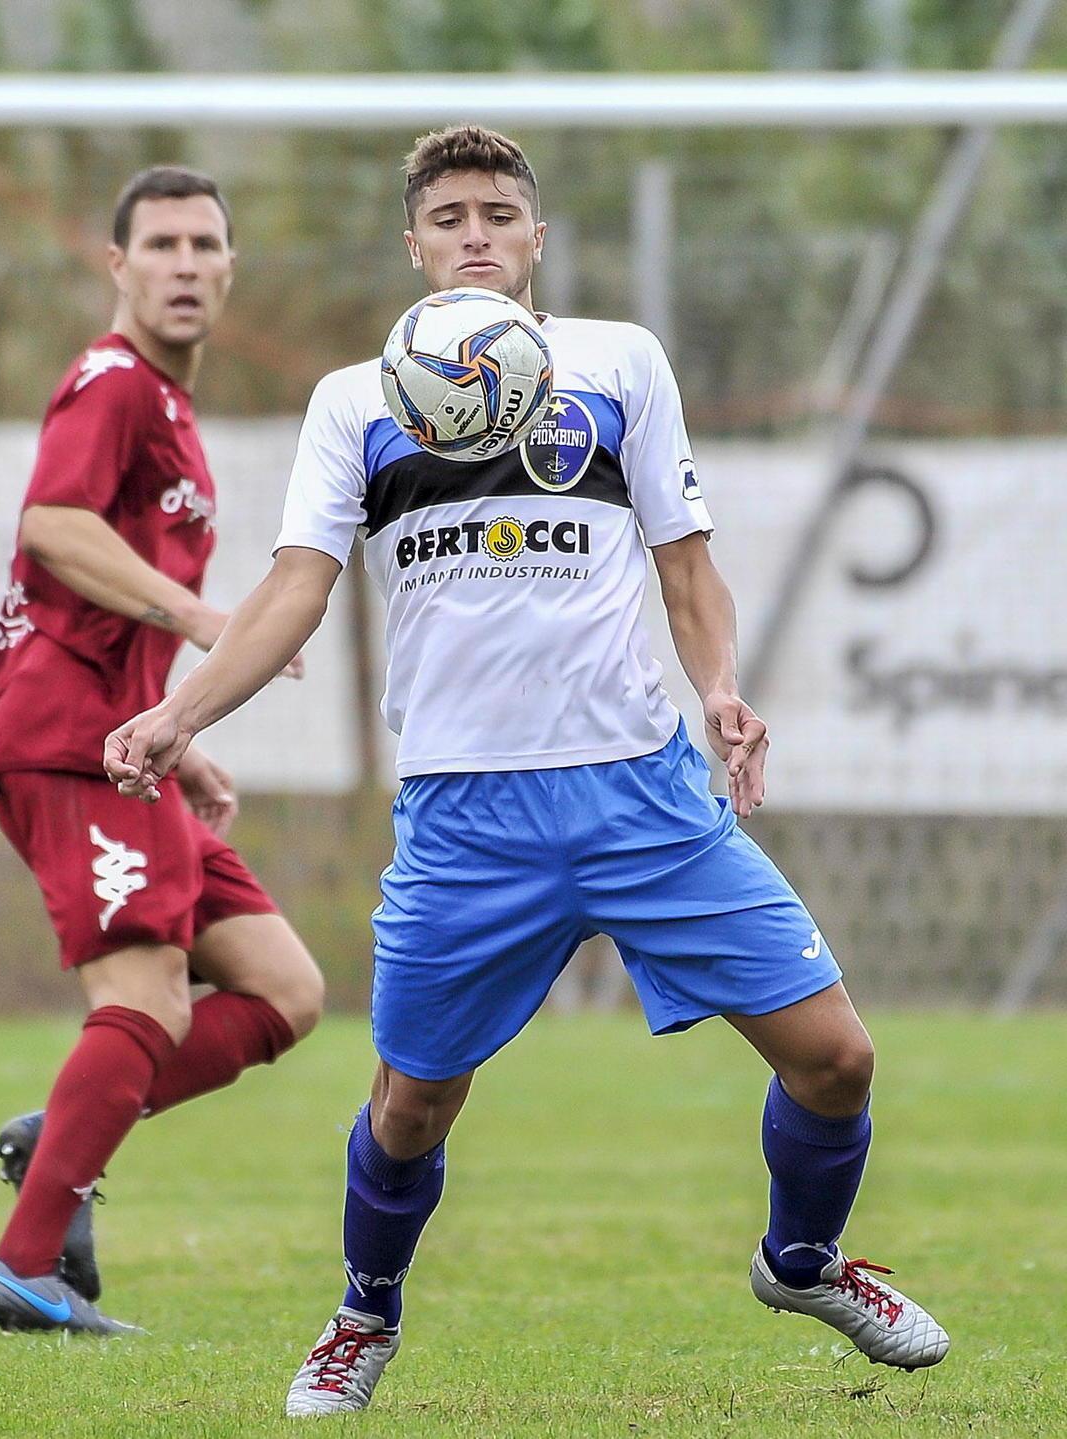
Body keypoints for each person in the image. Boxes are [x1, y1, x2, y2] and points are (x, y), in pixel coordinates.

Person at [105, 126, 951, 1407]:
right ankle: (364, 1310)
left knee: (838, 1057)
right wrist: (182, 714)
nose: (476, 235)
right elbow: (294, 587)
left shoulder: (619, 362)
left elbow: (685, 565)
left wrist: (720, 687)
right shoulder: (358, 399)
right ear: (414, 244)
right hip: (467, 811)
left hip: (640, 792)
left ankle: (803, 1258)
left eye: (499, 214)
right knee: (409, 1107)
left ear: (537, 237)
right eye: (449, 218)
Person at [0, 165, 324, 1335]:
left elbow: (111, 591)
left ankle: (68, 1132)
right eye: (161, 244)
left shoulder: (169, 408)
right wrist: (204, 620)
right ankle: (26, 1267)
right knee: (148, 995)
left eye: (203, 244)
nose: (184, 264)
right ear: (117, 266)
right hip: (65, 738)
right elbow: (52, 524)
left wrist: (180, 733)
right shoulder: (113, 382)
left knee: (285, 987)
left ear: (230, 269)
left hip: (124, 741)